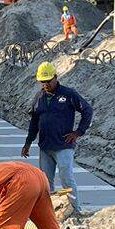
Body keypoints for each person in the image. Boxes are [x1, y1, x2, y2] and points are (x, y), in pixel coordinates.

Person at [21, 63, 92, 215]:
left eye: (48, 81)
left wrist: (78, 132)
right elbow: (34, 121)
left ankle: (75, 209)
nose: (46, 84)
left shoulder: (68, 94)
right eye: (43, 82)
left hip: (63, 145)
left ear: (55, 77)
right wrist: (28, 142)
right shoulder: (39, 97)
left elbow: (87, 110)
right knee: (46, 182)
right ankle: (49, 212)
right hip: (45, 146)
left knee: (66, 178)